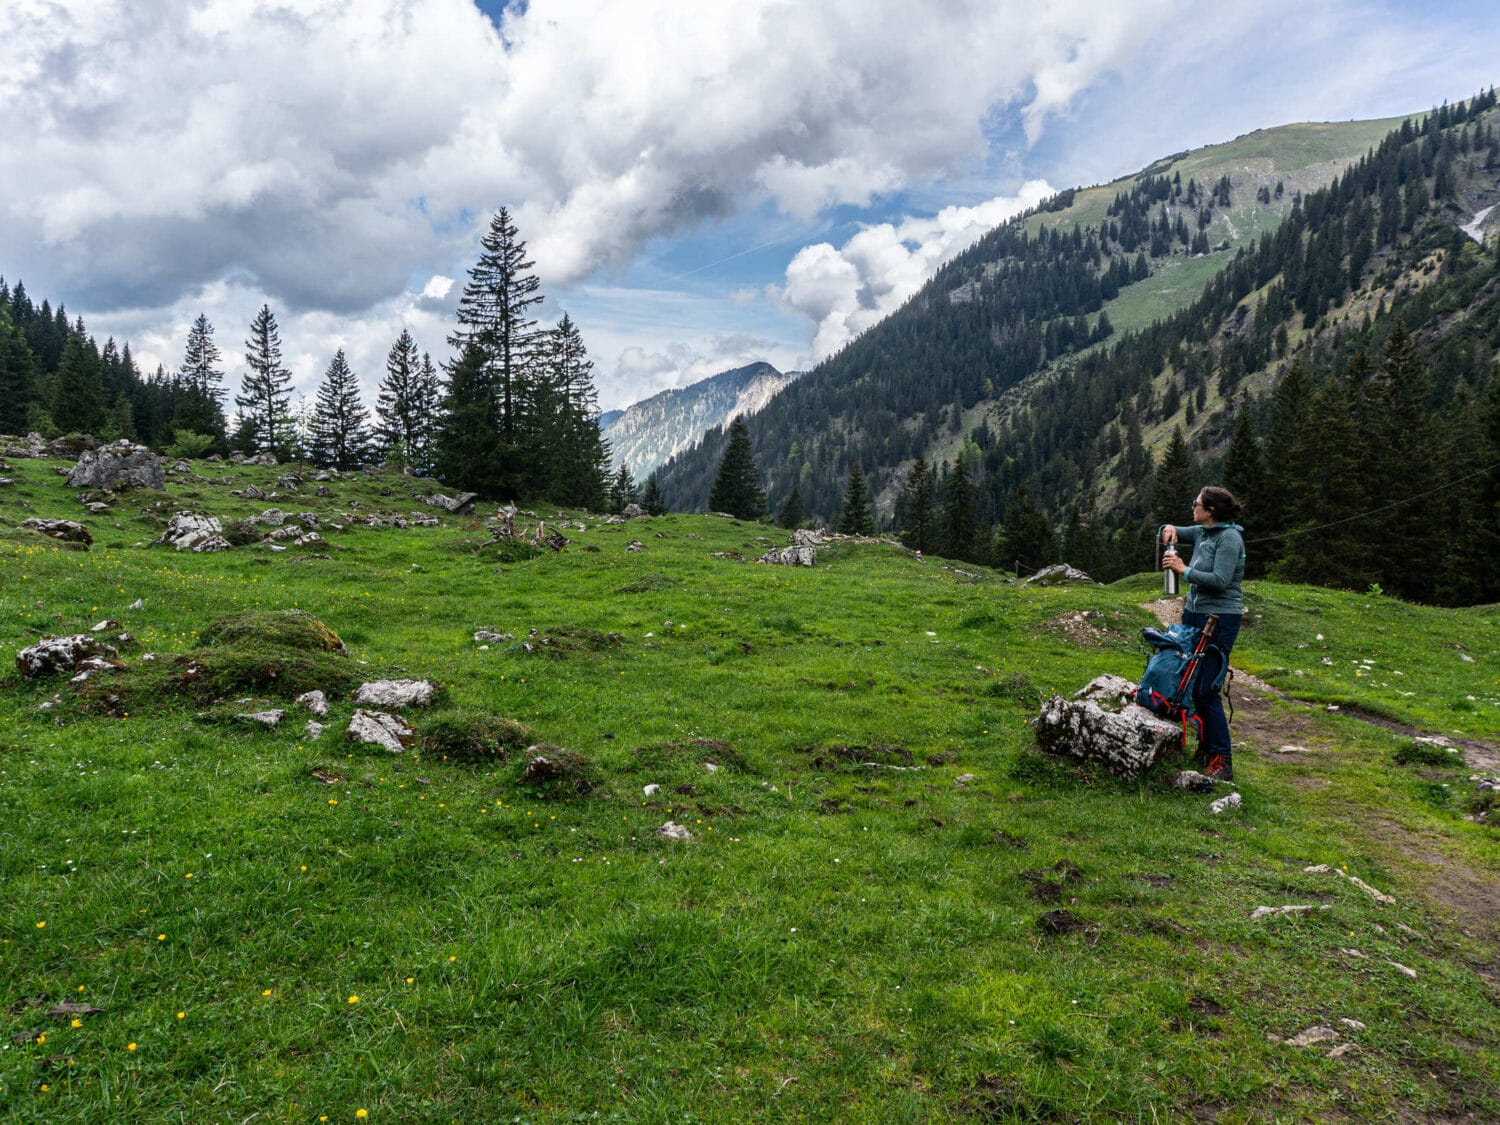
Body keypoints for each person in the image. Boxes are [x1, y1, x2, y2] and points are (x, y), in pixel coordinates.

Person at [1161, 486, 1246, 781]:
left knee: (1207, 689)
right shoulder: (1203, 532)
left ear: (1210, 511)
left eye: (1195, 504)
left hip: (1220, 617)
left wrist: (1183, 570)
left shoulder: (1230, 538)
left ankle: (1223, 761)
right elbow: (1175, 530)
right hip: (1195, 613)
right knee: (1192, 683)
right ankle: (1207, 749)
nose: (1192, 508)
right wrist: (1168, 529)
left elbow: (1221, 580)